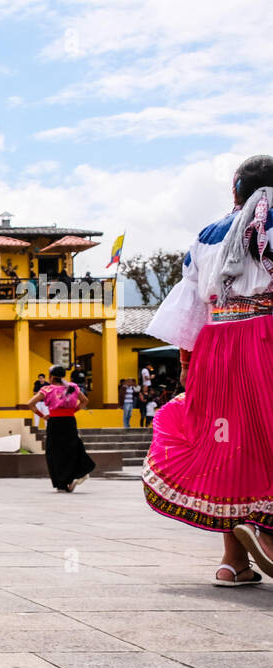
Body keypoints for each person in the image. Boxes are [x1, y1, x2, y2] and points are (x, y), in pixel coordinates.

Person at [143, 154, 273, 586]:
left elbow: (190, 308)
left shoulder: (206, 235)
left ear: (235, 189)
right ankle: (269, 536)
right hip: (267, 338)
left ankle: (233, 560)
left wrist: (187, 367)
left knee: (230, 445)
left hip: (217, 347)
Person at [27, 364, 95, 492]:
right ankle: (78, 474)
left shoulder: (47, 389)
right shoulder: (73, 387)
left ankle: (61, 483)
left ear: (51, 377)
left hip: (55, 422)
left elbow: (30, 404)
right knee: (71, 448)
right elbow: (85, 401)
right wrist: (73, 410)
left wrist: (43, 416)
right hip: (69, 421)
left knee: (54, 452)